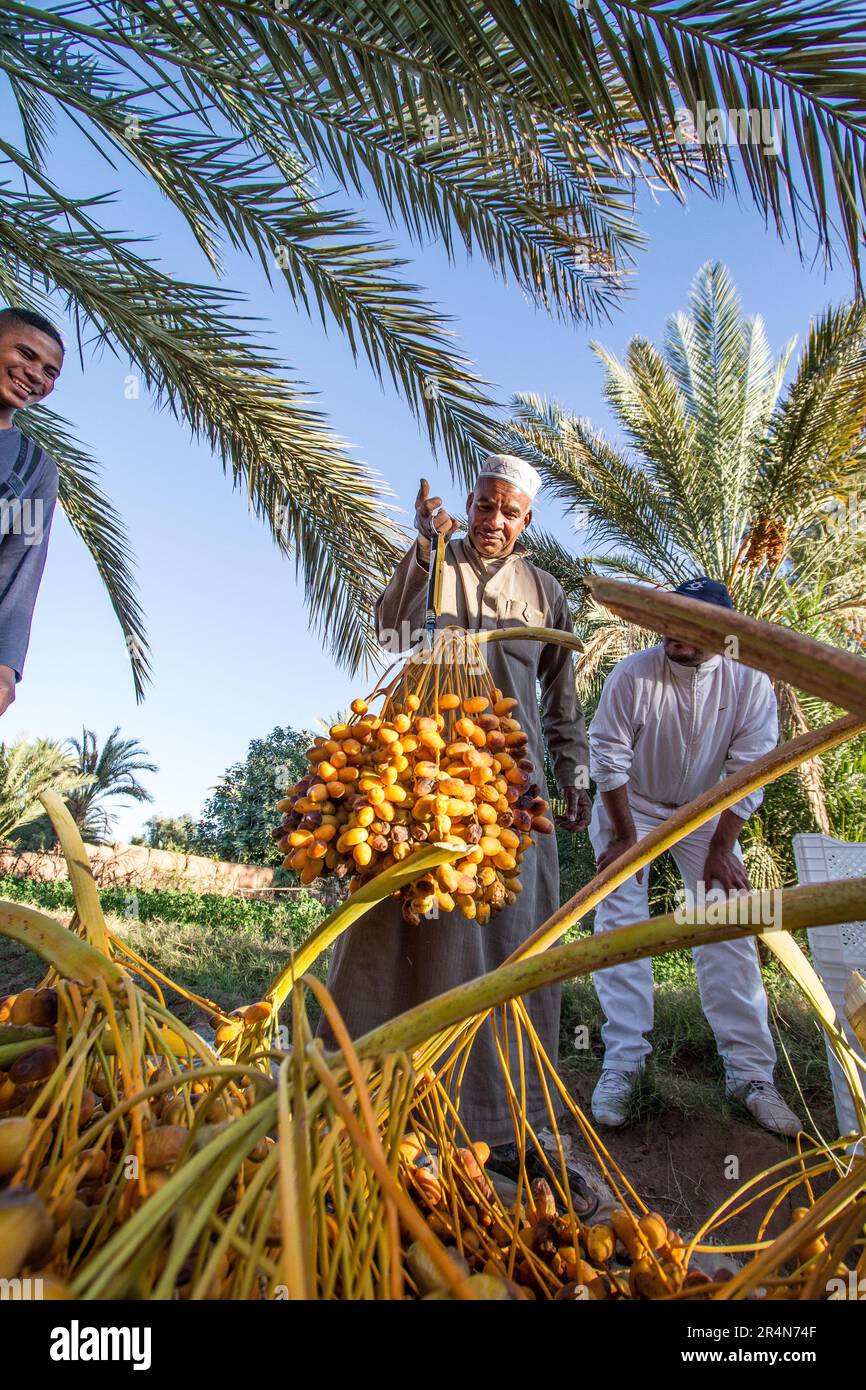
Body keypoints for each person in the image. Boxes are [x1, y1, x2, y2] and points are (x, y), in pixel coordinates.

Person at [320, 454, 597, 1208]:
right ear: (470, 502)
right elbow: (388, 632)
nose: (494, 521)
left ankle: (501, 1124)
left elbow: (561, 700)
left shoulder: (545, 592)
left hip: (512, 781)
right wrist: (420, 549)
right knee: (411, 924)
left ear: (526, 520)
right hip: (427, 763)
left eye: (509, 512)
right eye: (484, 505)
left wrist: (572, 773)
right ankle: (376, 1092)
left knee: (514, 934)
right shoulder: (437, 555)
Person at [587, 576, 801, 1136]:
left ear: (723, 632)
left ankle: (750, 1075)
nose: (676, 632)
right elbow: (608, 757)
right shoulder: (633, 674)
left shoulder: (751, 680)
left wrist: (723, 848)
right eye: (670, 619)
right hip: (631, 807)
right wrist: (625, 838)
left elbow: (752, 770)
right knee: (619, 922)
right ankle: (624, 1064)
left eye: (693, 624)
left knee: (727, 920)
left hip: (709, 813)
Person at [0, 307, 64, 717]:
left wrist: (5, 667)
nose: (37, 375)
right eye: (25, 354)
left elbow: (19, 567)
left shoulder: (34, 468)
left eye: (51, 372)